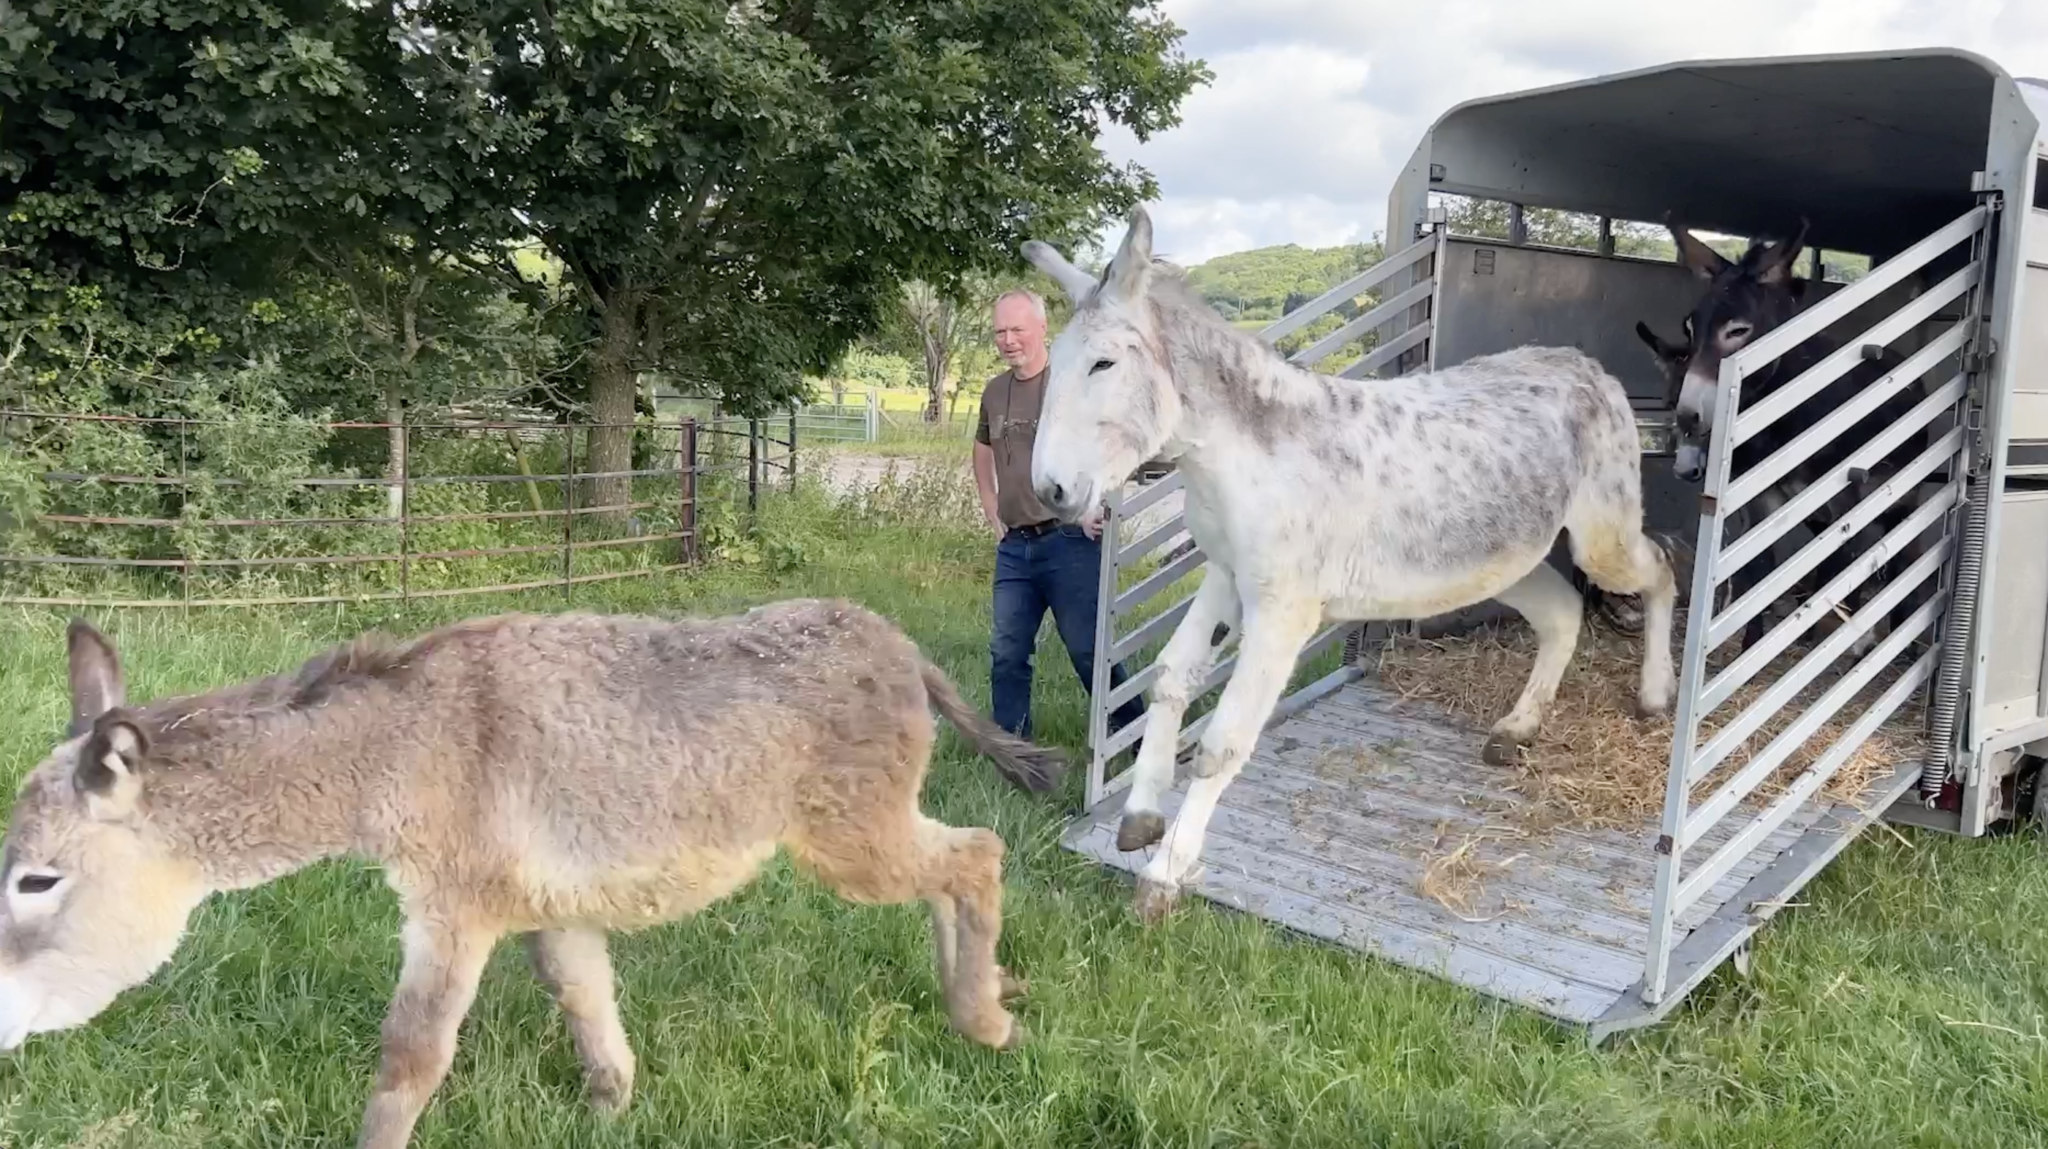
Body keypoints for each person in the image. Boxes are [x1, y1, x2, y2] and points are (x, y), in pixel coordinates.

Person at [974, 288, 1147, 743]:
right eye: (1000, 331)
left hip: (1068, 541)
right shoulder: (994, 392)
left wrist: (1093, 506)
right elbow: (982, 447)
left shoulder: (1074, 383)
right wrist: (991, 505)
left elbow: (1112, 445)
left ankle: (1135, 735)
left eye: (1017, 329)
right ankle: (1012, 746)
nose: (1008, 340)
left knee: (1089, 651)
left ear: (1042, 328)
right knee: (1007, 652)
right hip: (1015, 547)